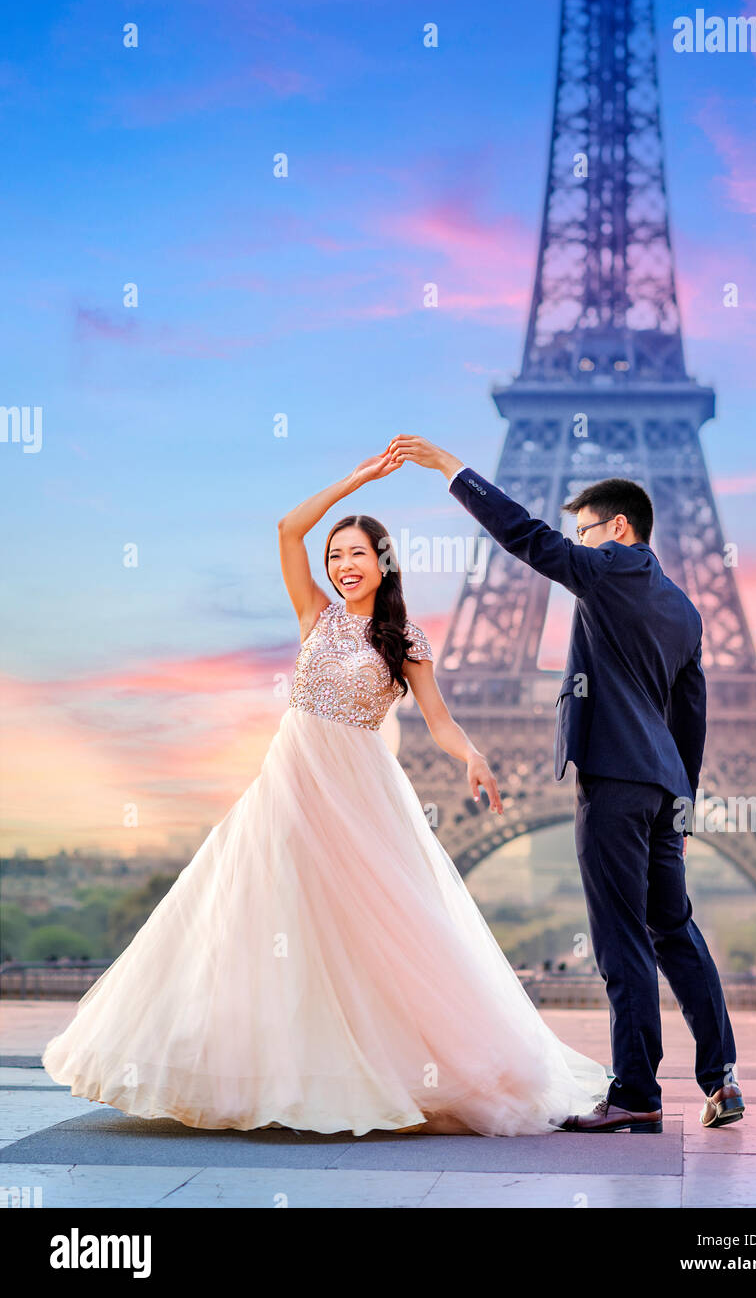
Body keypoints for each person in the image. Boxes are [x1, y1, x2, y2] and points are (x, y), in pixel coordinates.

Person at [42, 451, 609, 1136]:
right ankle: (266, 1071)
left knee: (368, 928)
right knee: (268, 916)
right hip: (291, 782)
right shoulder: (313, 612)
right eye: (336, 553)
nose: (343, 564)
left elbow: (438, 720)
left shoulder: (404, 638)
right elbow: (287, 528)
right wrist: (356, 481)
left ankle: (372, 1070)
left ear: (383, 562)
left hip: (357, 789)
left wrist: (472, 755)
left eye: (358, 553)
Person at [387, 435, 744, 1133]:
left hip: (613, 779)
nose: (577, 543)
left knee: (620, 942)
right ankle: (720, 1078)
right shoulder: (683, 610)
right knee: (673, 929)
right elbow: (690, 718)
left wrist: (450, 470)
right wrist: (680, 800)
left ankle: (636, 1094)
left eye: (585, 531)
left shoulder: (608, 572)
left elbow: (526, 538)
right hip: (663, 789)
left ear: (618, 529)